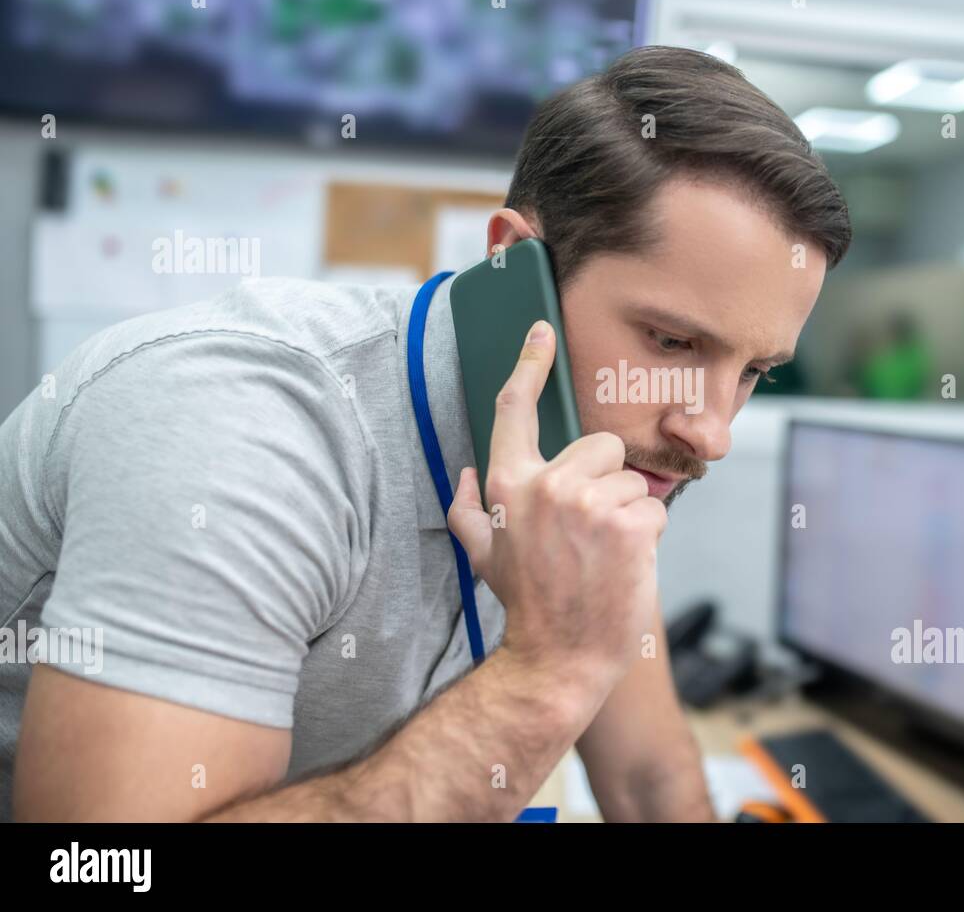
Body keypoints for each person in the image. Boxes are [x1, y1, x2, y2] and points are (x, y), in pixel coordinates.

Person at [0, 46, 851, 821]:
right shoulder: (240, 425)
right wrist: (544, 675)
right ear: (514, 265)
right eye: (671, 342)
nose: (709, 433)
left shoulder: (592, 462)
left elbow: (649, 782)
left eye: (753, 372)